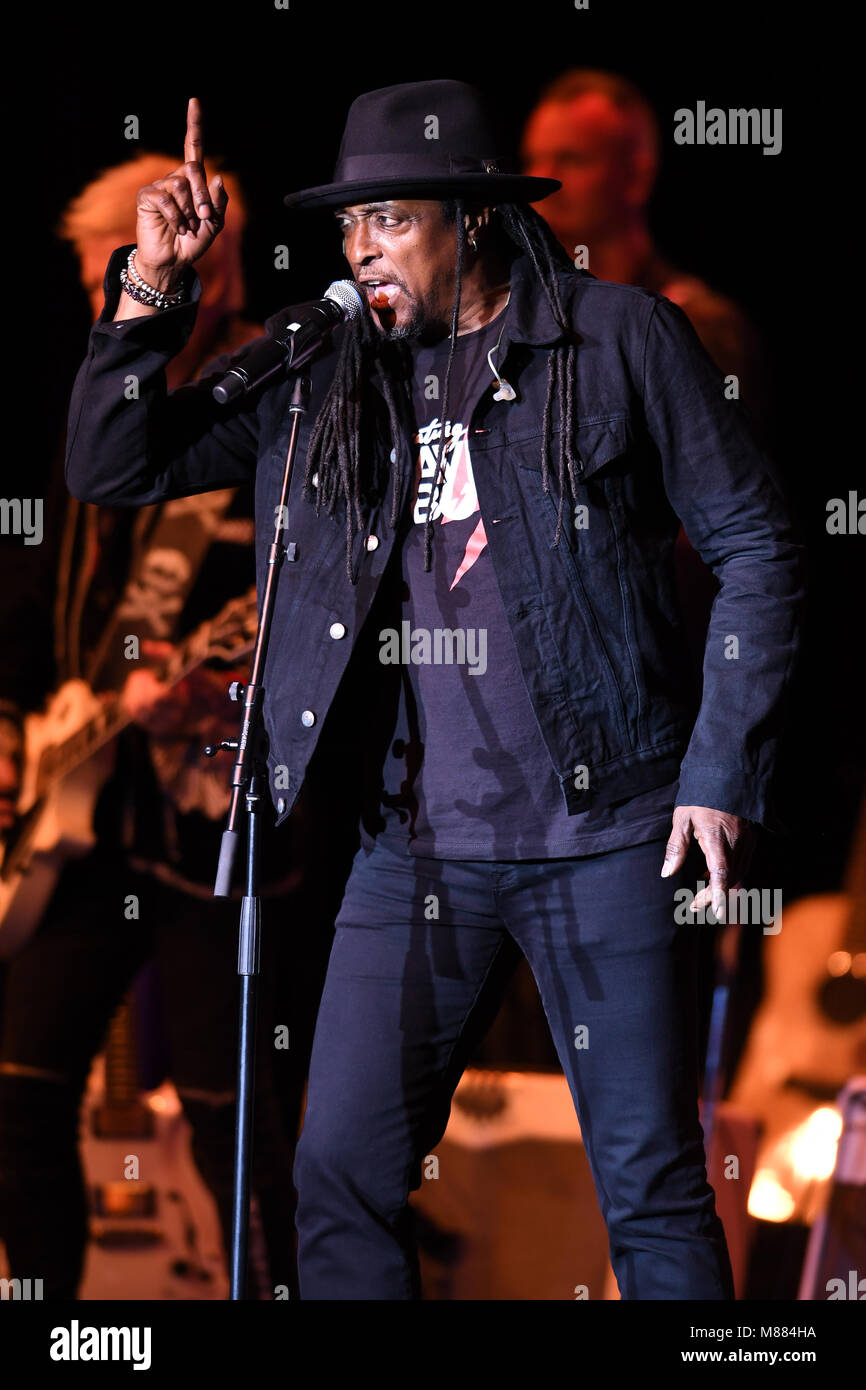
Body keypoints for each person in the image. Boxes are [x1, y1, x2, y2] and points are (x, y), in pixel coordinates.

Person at [64, 82, 803, 1300]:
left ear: (470, 221)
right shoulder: (324, 368)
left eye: (392, 221)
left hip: (610, 831)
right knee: (338, 1179)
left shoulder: (617, 340)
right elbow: (114, 460)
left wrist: (720, 771)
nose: (364, 250)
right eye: (350, 228)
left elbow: (759, 549)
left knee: (651, 1188)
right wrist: (153, 287)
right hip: (416, 849)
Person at [0, 153, 333, 1301]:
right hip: (88, 809)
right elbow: (45, 591)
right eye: (108, 272)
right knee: (19, 1084)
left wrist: (245, 683)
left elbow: (329, 592)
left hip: (216, 823)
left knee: (232, 1125)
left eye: (135, 264)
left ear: (206, 250)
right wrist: (17, 727)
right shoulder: (108, 388)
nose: (118, 293)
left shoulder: (279, 376)